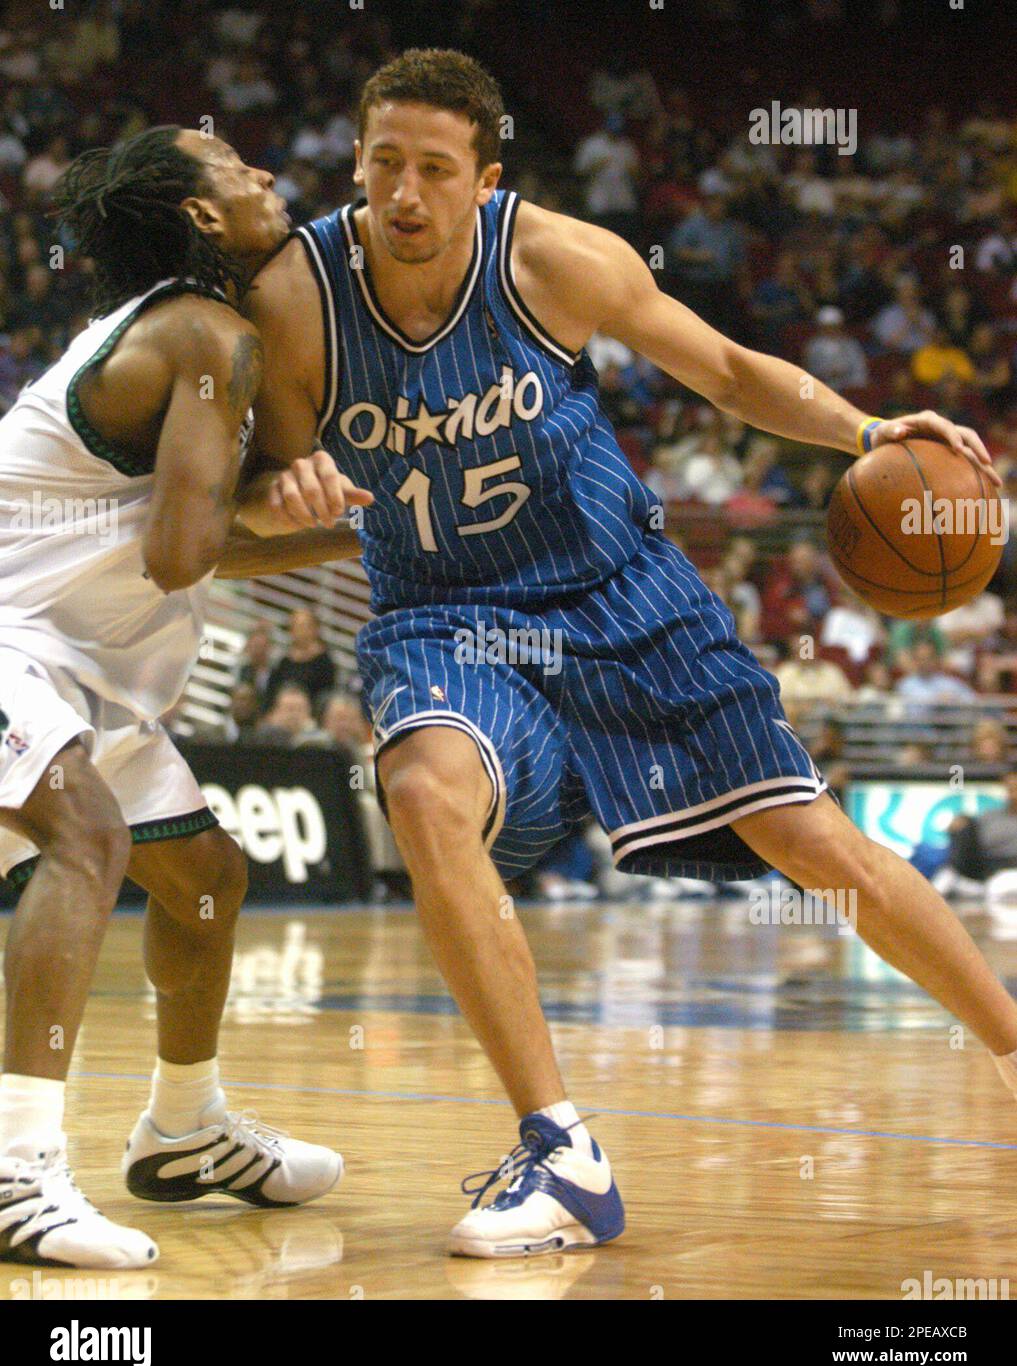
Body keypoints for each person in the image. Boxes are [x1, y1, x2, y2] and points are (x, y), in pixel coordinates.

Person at [243, 48, 1017, 1261]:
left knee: (817, 847)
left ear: (484, 178)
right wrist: (286, 494)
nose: (403, 191)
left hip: (623, 596)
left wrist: (868, 427)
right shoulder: (294, 298)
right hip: (445, 616)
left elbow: (722, 370)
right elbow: (262, 509)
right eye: (382, 161)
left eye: (434, 169)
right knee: (420, 787)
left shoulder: (554, 258)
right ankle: (564, 1157)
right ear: (355, 161)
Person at [0, 125, 370, 1268]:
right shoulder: (205, 333)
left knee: (205, 878)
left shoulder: (177, 329)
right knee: (85, 842)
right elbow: (178, 553)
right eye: (237, 170)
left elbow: (182, 537)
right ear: (200, 216)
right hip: (11, 643)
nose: (265, 176)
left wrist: (327, 528)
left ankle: (183, 1127)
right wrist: (305, 516)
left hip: (77, 672)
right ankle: (16, 1173)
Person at [264, 606, 337, 708]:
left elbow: (325, 698)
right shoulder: (283, 661)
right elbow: (271, 692)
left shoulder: (324, 663)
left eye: (303, 626)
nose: (298, 631)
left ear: (315, 629)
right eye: (294, 626)